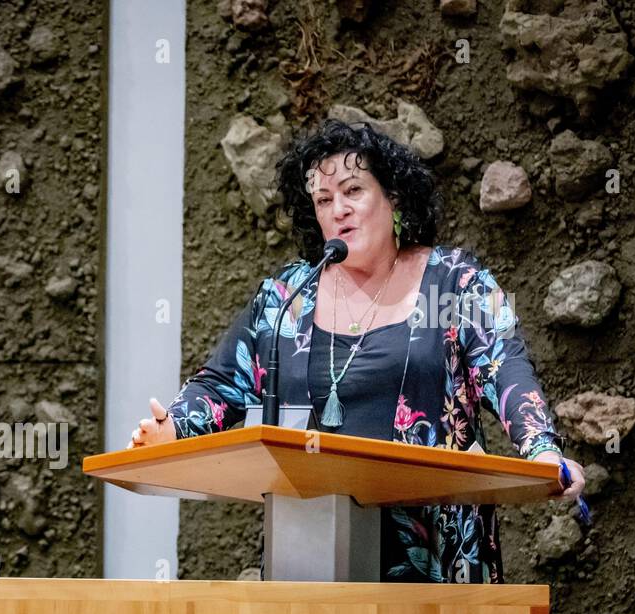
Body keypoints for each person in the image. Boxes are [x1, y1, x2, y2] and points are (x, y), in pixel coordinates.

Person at [127, 119, 585, 584]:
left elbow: (504, 366)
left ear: (394, 198)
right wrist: (174, 428)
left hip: (435, 563)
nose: (338, 210)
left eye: (353, 192)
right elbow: (220, 383)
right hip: (307, 559)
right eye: (324, 200)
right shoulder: (287, 297)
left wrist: (541, 451)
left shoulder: (450, 283)